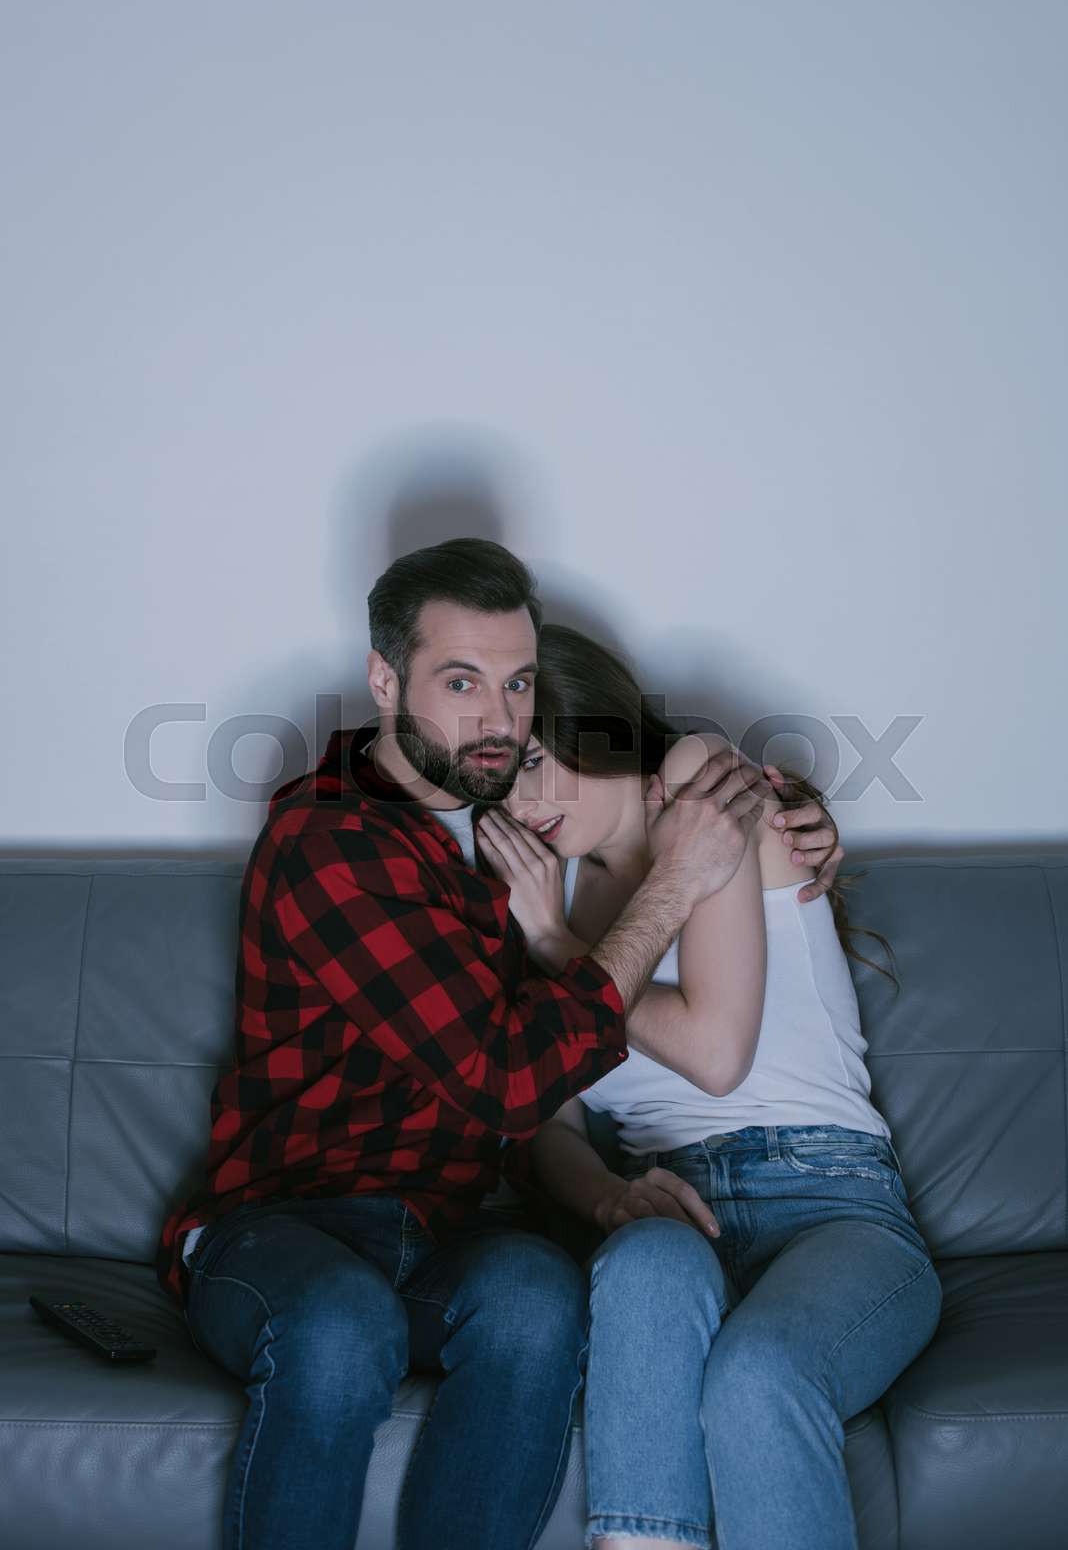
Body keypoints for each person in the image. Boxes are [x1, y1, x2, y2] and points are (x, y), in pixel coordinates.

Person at [154, 538, 841, 1550]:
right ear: (386, 679)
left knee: (534, 1297)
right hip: (279, 1226)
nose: (498, 719)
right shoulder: (331, 843)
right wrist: (673, 885)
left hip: (432, 1236)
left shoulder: (506, 840)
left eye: (517, 684)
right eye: (460, 679)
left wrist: (798, 822)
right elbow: (509, 1077)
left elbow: (633, 795)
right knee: (342, 1324)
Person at [477, 621, 942, 1550]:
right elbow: (549, 1127)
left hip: (832, 1203)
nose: (521, 806)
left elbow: (717, 1053)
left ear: (589, 723)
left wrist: (562, 956)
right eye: (499, 782)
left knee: (758, 1376)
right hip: (671, 1203)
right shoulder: (544, 888)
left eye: (533, 762)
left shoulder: (698, 777)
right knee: (642, 1266)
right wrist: (609, 1198)